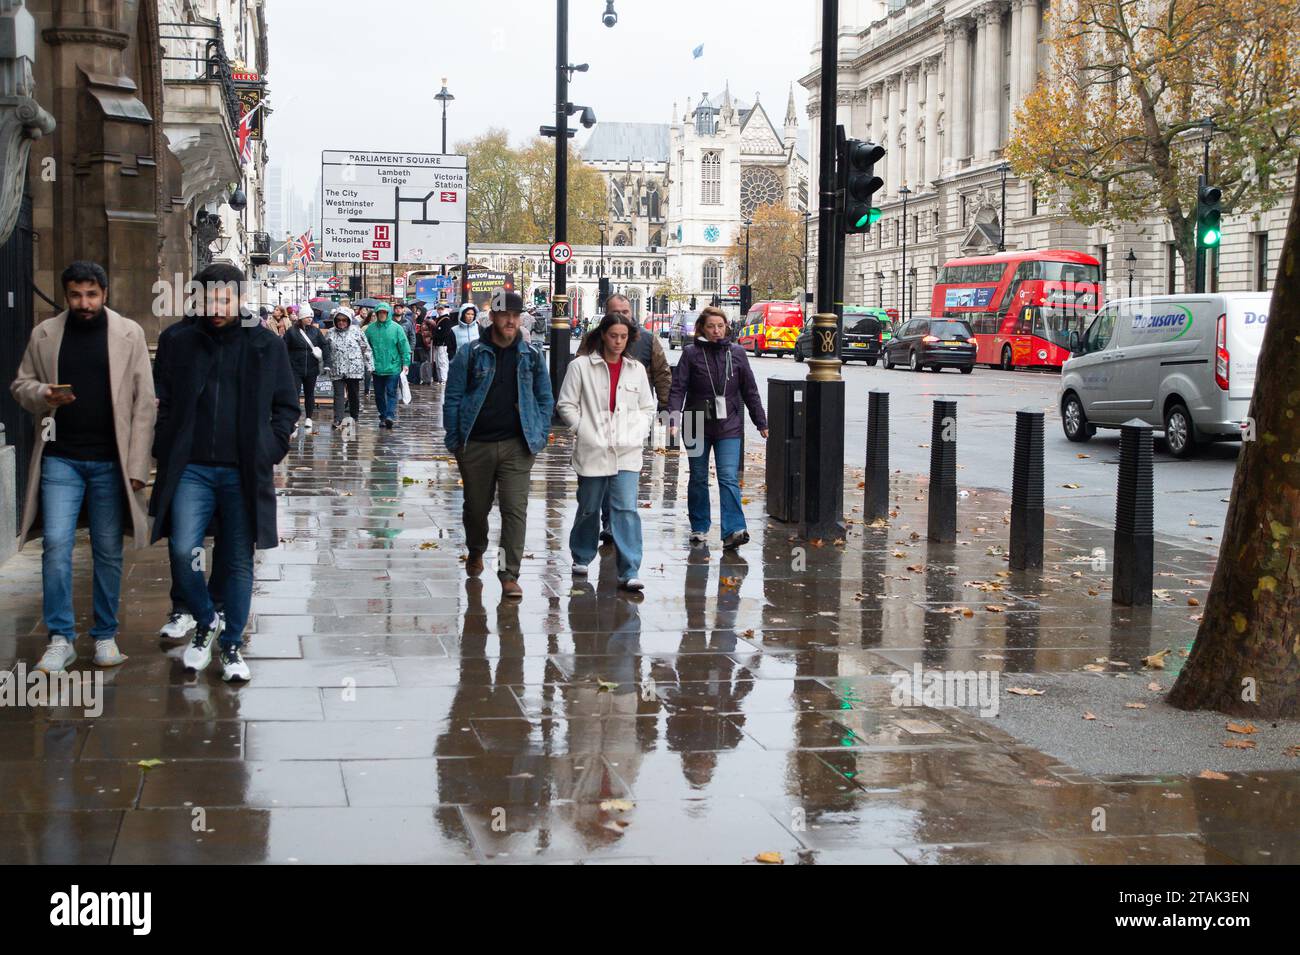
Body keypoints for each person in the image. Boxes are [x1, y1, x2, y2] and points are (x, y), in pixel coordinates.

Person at [150, 263, 299, 683]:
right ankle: (204, 619)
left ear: (240, 298)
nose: (217, 307)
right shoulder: (178, 340)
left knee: (237, 560)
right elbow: (159, 399)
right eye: (209, 299)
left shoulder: (265, 344)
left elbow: (286, 405)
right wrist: (163, 443)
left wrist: (270, 447)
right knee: (182, 549)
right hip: (192, 467)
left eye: (225, 299)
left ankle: (231, 644)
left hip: (242, 470)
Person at [10, 261, 156, 673]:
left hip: (111, 461)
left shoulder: (130, 333)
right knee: (56, 546)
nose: (84, 303)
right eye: (76, 295)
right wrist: (43, 393)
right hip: (61, 459)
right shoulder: (45, 334)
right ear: (66, 295)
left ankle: (106, 635)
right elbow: (21, 385)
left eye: (91, 295)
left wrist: (138, 464)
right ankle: (60, 638)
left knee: (108, 550)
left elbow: (144, 405)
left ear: (105, 294)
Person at [443, 289, 553, 598]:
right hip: (475, 444)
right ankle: (476, 548)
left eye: (515, 316)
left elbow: (545, 398)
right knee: (476, 509)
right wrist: (454, 439)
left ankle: (508, 573)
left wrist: (540, 433)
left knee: (514, 512)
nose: (510, 321)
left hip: (517, 446)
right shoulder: (472, 353)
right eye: (504, 315)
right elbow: (452, 397)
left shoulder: (530, 355)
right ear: (492, 317)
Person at [558, 311, 657, 591]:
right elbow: (566, 404)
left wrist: (638, 431)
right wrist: (583, 429)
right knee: (589, 507)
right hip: (592, 449)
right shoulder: (580, 367)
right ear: (602, 335)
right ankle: (581, 554)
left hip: (627, 450)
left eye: (623, 337)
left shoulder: (636, 369)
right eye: (613, 336)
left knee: (625, 509)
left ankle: (630, 569)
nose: (618, 342)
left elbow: (647, 407)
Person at [668, 305, 768, 549]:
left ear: (727, 327)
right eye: (711, 326)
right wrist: (672, 419)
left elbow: (750, 390)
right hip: (695, 422)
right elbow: (678, 388)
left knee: (728, 477)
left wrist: (761, 422)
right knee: (699, 476)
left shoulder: (737, 353)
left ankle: (733, 529)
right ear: (702, 328)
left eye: (720, 326)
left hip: (728, 424)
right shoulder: (691, 353)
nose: (716, 331)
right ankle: (700, 526)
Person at [596, 294, 672, 545]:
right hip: (601, 422)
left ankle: (620, 521)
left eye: (626, 311)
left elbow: (662, 373)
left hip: (633, 421)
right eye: (616, 311)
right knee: (605, 476)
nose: (622, 316)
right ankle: (609, 521)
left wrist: (664, 408)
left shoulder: (648, 341)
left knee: (627, 474)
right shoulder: (595, 341)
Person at [285, 302, 330, 433]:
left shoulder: (316, 331)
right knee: (295, 393)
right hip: (295, 367)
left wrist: (327, 363)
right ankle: (294, 418)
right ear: (301, 318)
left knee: (310, 393)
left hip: (311, 367)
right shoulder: (292, 331)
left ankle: (309, 417)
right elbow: (284, 347)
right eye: (307, 317)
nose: (310, 319)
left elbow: (325, 345)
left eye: (311, 316)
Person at [363, 302, 410, 430]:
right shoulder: (370, 329)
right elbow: (365, 347)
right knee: (378, 394)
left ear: (388, 313)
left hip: (393, 367)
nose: (382, 314)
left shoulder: (396, 328)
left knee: (391, 392)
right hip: (377, 368)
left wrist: (406, 362)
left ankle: (390, 416)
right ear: (377, 314)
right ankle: (383, 416)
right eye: (380, 312)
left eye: (384, 312)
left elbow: (404, 346)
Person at [323, 307, 371, 428]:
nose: (341, 322)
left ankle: (354, 416)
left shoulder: (357, 331)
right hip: (337, 368)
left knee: (353, 394)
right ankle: (338, 419)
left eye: (344, 320)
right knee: (338, 394)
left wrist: (369, 365)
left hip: (353, 368)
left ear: (349, 320)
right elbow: (325, 351)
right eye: (339, 320)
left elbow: (366, 348)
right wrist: (324, 365)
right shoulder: (330, 332)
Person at [432, 304, 453, 383]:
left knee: (442, 362)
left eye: (441, 309)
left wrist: (436, 336)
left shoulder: (446, 319)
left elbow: (444, 333)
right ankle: (440, 379)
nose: (440, 310)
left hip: (443, 344)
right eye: (438, 309)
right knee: (437, 362)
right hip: (437, 344)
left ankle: (444, 379)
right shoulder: (438, 319)